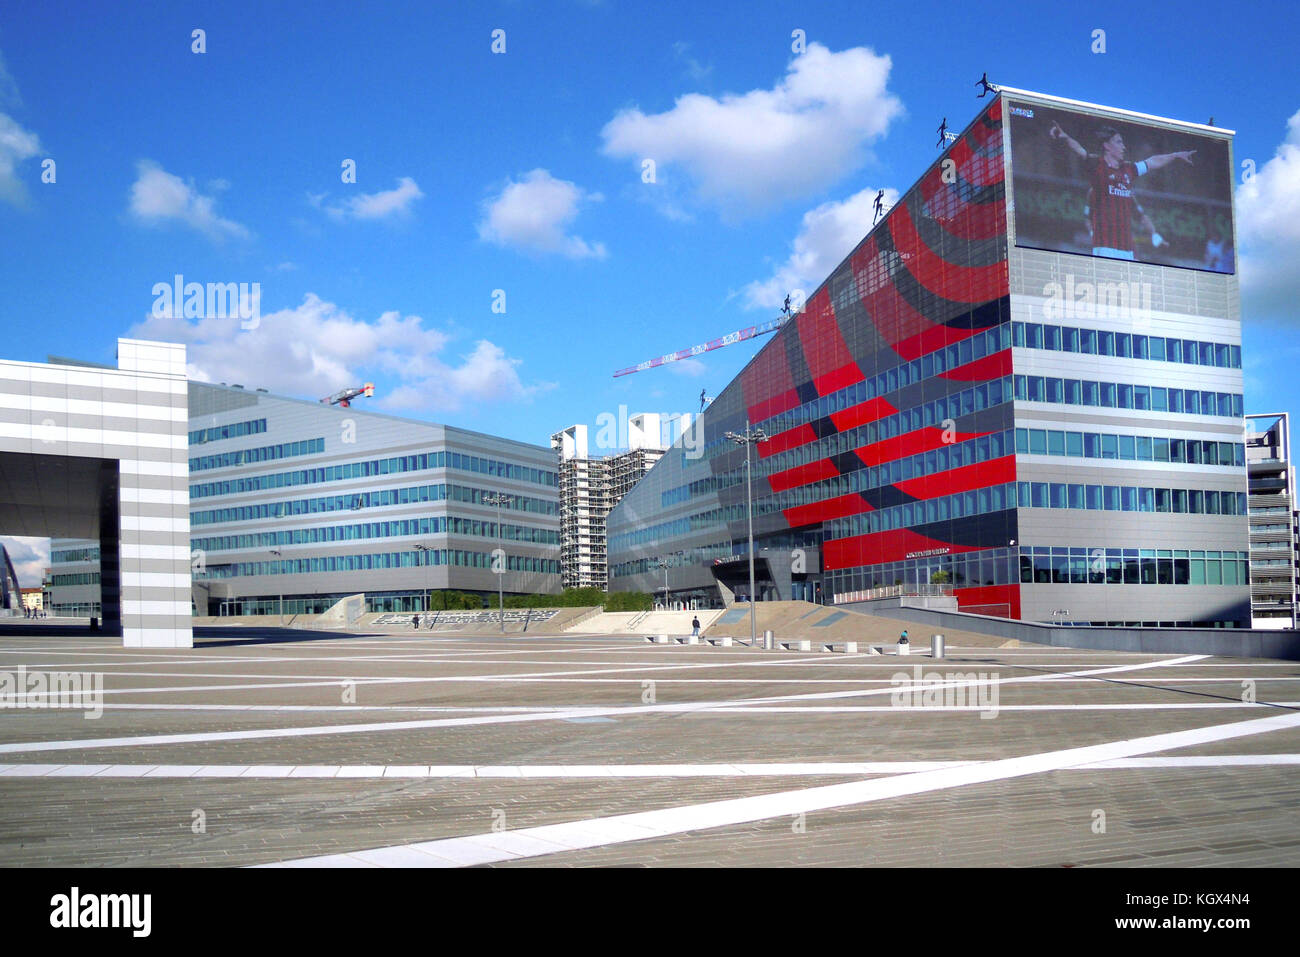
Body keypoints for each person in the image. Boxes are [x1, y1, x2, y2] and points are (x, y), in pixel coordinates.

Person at [1048, 119, 1195, 260]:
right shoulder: (1097, 165)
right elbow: (1080, 150)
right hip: (1104, 247)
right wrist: (1065, 137)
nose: (1124, 147)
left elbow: (1152, 162)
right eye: (1119, 142)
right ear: (1107, 146)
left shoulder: (1129, 169)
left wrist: (1175, 155)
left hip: (1127, 250)